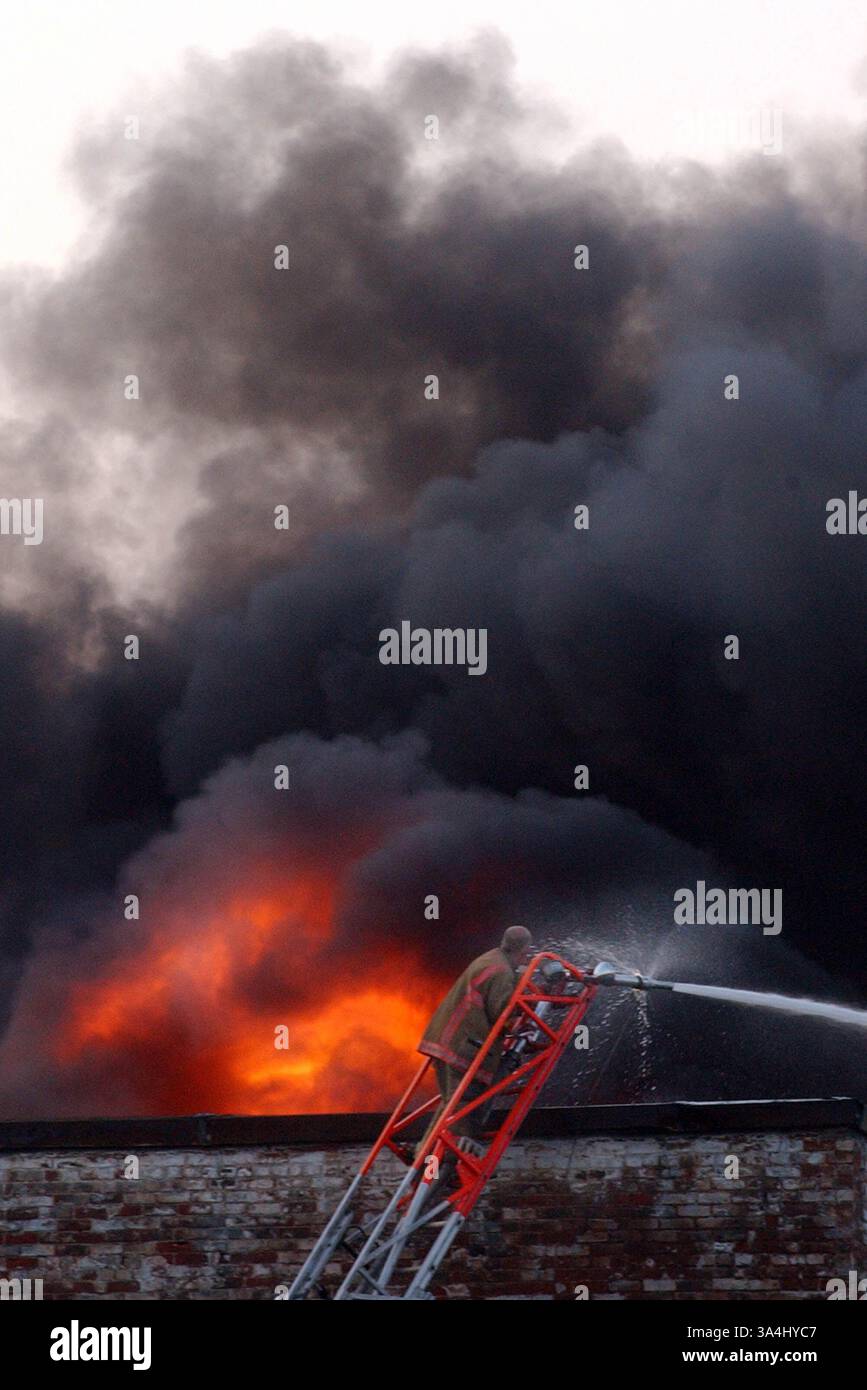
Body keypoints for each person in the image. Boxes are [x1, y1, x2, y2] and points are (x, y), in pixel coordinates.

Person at [414, 926, 534, 1162]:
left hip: (446, 1042)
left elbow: (501, 991)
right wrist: (526, 1026)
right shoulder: (501, 973)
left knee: (451, 1106)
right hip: (463, 1049)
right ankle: (442, 1168)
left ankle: (423, 1156)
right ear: (524, 951)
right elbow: (503, 1013)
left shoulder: (491, 959)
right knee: (465, 1110)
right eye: (527, 953)